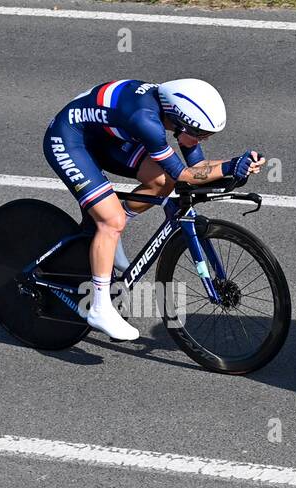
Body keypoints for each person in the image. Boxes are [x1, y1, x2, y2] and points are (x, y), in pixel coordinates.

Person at [43, 79, 263, 341]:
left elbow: (199, 166)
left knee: (161, 183)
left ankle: (107, 237)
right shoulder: (146, 121)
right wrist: (227, 167)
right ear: (179, 119)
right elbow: (184, 174)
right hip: (70, 138)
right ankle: (100, 307)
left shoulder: (169, 110)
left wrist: (237, 166)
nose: (203, 139)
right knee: (111, 221)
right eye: (201, 133)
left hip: (107, 136)